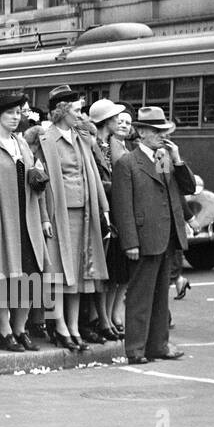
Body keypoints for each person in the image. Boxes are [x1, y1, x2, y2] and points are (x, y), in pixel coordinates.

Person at [109, 106, 194, 364]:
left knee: (160, 296)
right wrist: (130, 242)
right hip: (144, 237)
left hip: (165, 235)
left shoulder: (163, 157)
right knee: (140, 295)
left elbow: (184, 188)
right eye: (156, 131)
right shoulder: (127, 162)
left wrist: (177, 159)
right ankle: (135, 349)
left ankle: (158, 345)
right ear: (142, 133)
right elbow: (123, 206)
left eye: (163, 131)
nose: (161, 135)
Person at [0, 91, 51, 352]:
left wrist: (44, 217)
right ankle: (3, 330)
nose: (16, 117)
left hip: (27, 220)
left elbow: (37, 182)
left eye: (19, 113)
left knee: (29, 275)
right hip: (3, 221)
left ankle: (20, 328)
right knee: (2, 277)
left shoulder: (22, 144)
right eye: (10, 113)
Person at [34, 85, 109, 351]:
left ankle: (74, 326)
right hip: (58, 214)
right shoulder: (45, 139)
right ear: (62, 111)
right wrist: (44, 217)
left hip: (83, 212)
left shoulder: (81, 138)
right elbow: (39, 185)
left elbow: (93, 176)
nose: (81, 114)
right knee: (57, 274)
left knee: (78, 273)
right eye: (77, 110)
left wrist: (104, 209)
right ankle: (59, 326)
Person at [88, 98, 129, 339]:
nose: (120, 122)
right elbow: (96, 180)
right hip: (104, 209)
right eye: (115, 118)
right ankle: (100, 318)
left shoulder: (112, 144)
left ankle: (107, 317)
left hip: (115, 207)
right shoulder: (94, 145)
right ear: (105, 121)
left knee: (115, 268)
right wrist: (119, 186)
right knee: (105, 267)